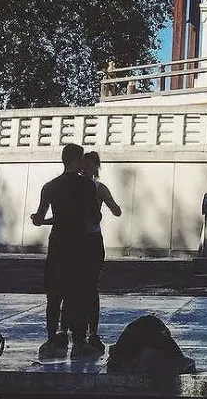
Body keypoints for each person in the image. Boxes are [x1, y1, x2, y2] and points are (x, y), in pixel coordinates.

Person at [31, 143, 101, 360]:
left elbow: (39, 218)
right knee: (78, 293)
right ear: (76, 160)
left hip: (58, 243)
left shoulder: (50, 186)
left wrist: (38, 219)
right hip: (80, 245)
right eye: (81, 159)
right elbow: (94, 217)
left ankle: (52, 340)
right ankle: (79, 343)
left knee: (54, 294)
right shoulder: (87, 186)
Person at [76, 151, 122, 354]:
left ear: (95, 167)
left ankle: (88, 333)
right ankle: (84, 333)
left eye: (88, 165)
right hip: (86, 239)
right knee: (84, 288)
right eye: (83, 165)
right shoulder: (92, 187)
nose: (85, 169)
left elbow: (116, 209)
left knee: (86, 287)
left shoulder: (96, 188)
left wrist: (108, 205)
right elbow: (116, 210)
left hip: (84, 239)